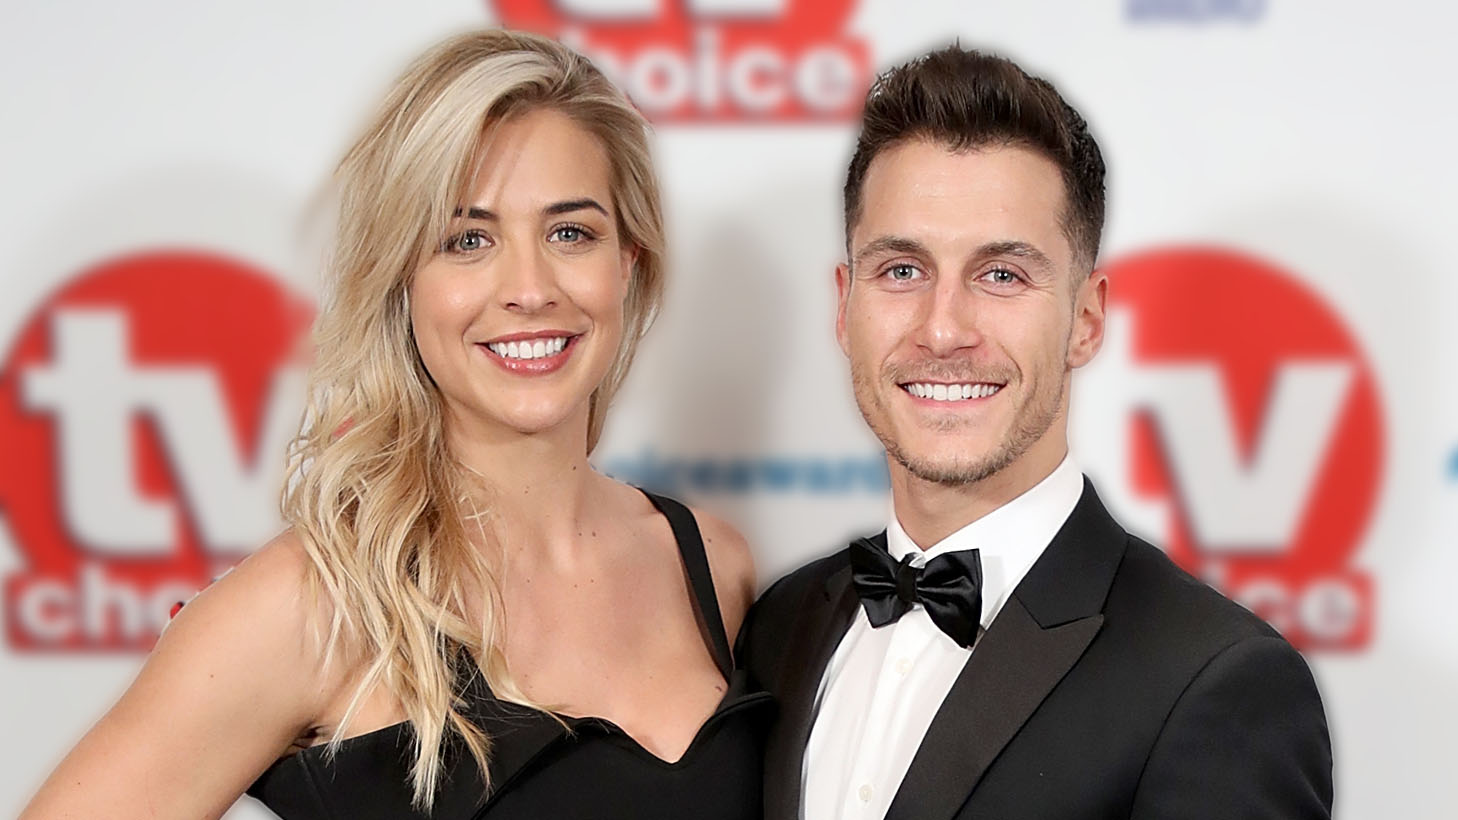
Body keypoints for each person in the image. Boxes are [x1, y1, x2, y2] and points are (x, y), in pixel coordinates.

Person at [21, 29, 769, 820]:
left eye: (570, 232)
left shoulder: (713, 567)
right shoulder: (318, 603)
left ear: (628, 261)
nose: (529, 287)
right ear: (402, 277)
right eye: (467, 240)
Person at [738, 44, 1334, 820]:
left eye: (1002, 275)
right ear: (845, 307)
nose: (943, 330)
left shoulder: (1213, 680)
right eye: (903, 270)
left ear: (1086, 320)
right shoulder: (781, 626)